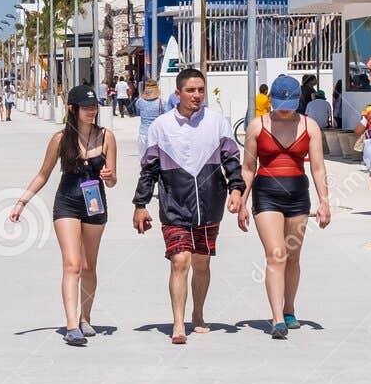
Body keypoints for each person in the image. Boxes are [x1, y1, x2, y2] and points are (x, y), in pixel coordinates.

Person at [133, 68, 246, 345]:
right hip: (174, 203)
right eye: (190, 90)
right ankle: (178, 323)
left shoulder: (217, 122)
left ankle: (198, 313)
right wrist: (140, 203)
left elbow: (231, 158)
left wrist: (236, 189)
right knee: (180, 260)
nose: (196, 95)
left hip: (210, 203)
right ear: (178, 93)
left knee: (201, 262)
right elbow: (149, 169)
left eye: (200, 90)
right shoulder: (161, 126)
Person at [10, 85, 117, 347]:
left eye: (94, 107)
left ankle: (85, 317)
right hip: (67, 203)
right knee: (72, 263)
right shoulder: (60, 139)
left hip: (95, 204)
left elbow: (113, 180)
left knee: (89, 265)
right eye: (86, 107)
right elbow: (43, 174)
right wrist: (22, 202)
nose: (92, 111)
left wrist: (109, 176)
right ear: (73, 108)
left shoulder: (107, 137)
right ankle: (72, 325)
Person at [238, 74, 330, 338]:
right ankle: (277, 318)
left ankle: (289, 309)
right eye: (280, 104)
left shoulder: (310, 126)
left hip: (298, 194)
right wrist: (242, 202)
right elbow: (247, 168)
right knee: (276, 254)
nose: (285, 109)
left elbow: (318, 167)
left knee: (293, 257)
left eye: (289, 104)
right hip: (266, 193)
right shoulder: (257, 126)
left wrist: (325, 201)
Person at [133, 78, 165, 153]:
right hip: (156, 134)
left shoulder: (140, 101)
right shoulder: (162, 102)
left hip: (143, 133)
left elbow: (137, 110)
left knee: (143, 158)